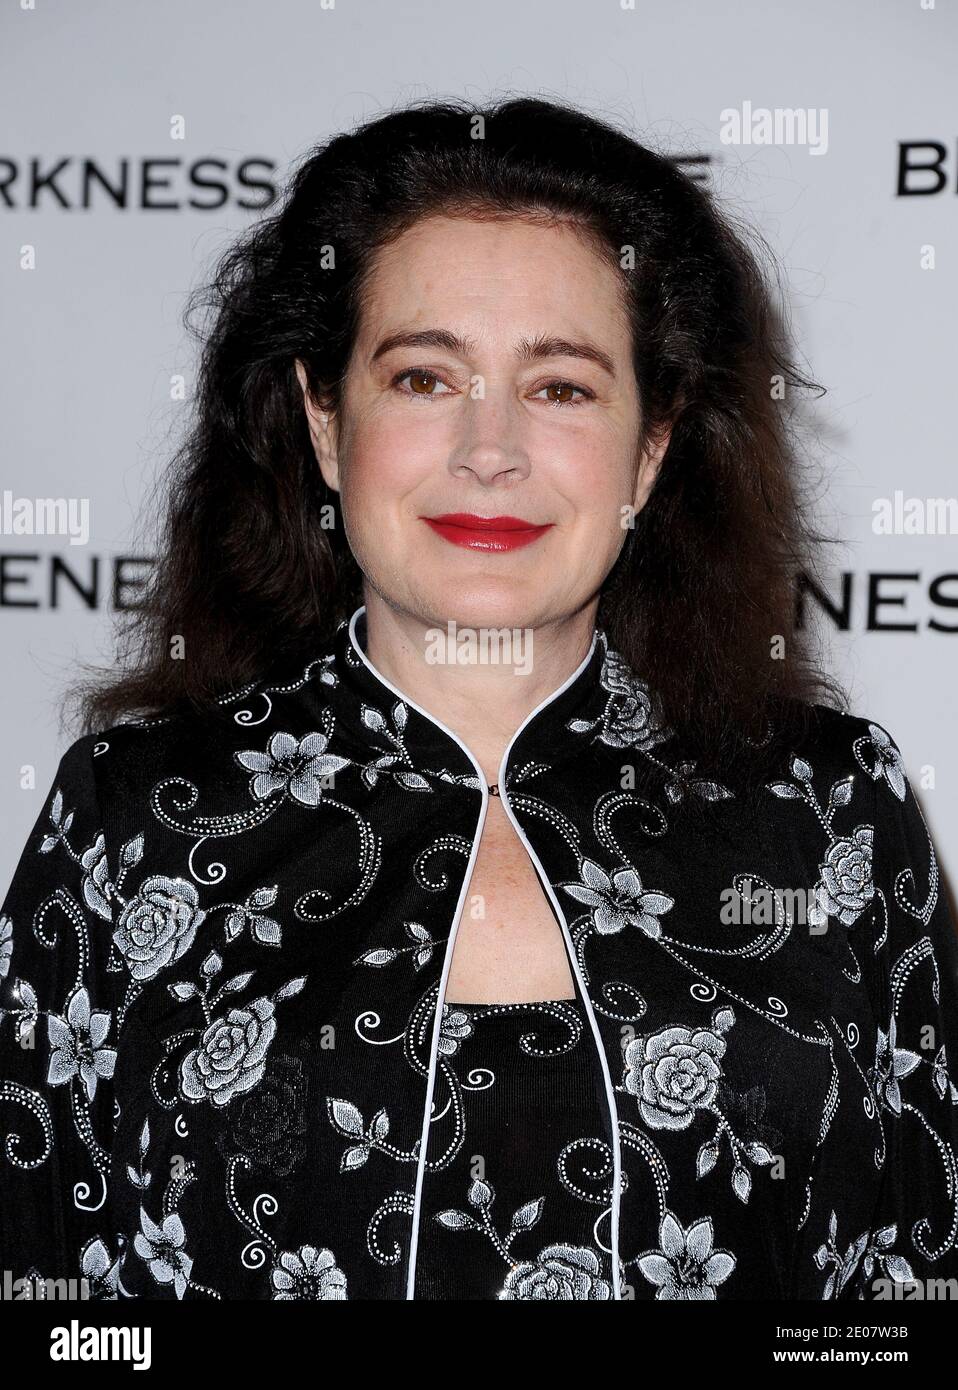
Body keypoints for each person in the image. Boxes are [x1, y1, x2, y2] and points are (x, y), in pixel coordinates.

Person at [1, 95, 956, 1302]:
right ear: (324, 420)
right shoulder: (134, 820)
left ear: (650, 445)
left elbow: (919, 1279)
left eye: (559, 388)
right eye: (421, 376)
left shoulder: (829, 809)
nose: (488, 447)